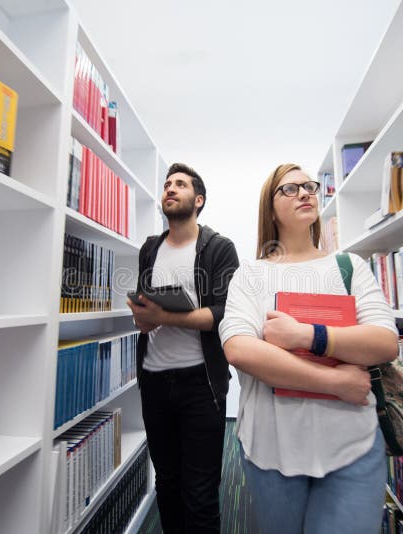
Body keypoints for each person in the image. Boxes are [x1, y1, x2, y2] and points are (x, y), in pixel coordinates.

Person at [219, 163, 398, 533]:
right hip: (271, 451)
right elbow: (240, 350)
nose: (305, 193)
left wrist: (306, 336)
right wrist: (334, 382)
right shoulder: (251, 274)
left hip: (354, 449)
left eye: (309, 187)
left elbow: (384, 342)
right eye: (289, 189)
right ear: (270, 208)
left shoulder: (351, 267)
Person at [127, 163, 239, 533]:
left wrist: (165, 317)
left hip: (201, 386)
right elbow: (148, 310)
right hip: (154, 382)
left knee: (201, 492)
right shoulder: (149, 249)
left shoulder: (219, 248)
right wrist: (143, 318)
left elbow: (224, 312)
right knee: (167, 483)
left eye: (180, 184)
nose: (170, 189)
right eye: (167, 184)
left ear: (199, 199)